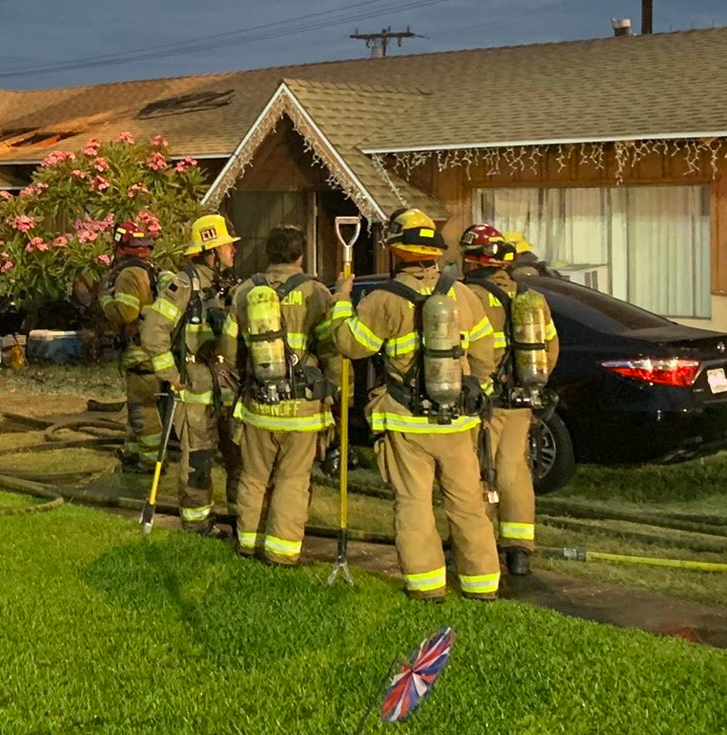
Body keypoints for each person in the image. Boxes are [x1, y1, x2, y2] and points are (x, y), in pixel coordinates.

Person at [330, 208, 501, 601]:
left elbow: (350, 344)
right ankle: (482, 585)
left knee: (414, 503)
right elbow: (484, 353)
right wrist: (474, 388)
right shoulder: (462, 294)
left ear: (396, 251)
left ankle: (426, 587)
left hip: (407, 421)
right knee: (467, 504)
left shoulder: (383, 299)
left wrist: (341, 300)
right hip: (457, 422)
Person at [219, 225, 339, 565]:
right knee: (293, 478)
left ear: (267, 253)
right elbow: (332, 350)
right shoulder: (317, 293)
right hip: (303, 409)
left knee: (254, 476)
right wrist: (337, 395)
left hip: (258, 404)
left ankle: (246, 542)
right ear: (300, 255)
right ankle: (282, 552)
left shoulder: (244, 292)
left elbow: (228, 350)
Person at [459, 224, 562, 577]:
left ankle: (480, 546)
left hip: (481, 403)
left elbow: (466, 349)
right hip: (521, 397)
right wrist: (534, 380)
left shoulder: (465, 295)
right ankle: (519, 550)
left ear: (471, 259)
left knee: (477, 473)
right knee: (514, 469)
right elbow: (550, 346)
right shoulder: (529, 298)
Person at [140, 213, 240, 535]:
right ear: (210, 250)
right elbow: (154, 331)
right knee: (198, 460)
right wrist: (170, 373)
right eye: (226, 246)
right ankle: (198, 525)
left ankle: (244, 522)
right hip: (194, 388)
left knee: (239, 457)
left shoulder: (226, 286)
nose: (232, 251)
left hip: (226, 388)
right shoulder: (182, 286)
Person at [98, 220, 163, 473]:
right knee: (136, 406)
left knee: (143, 409)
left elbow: (125, 313)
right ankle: (133, 454)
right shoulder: (150, 270)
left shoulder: (127, 275)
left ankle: (149, 463)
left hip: (139, 352)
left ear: (119, 246)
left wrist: (104, 299)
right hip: (152, 350)